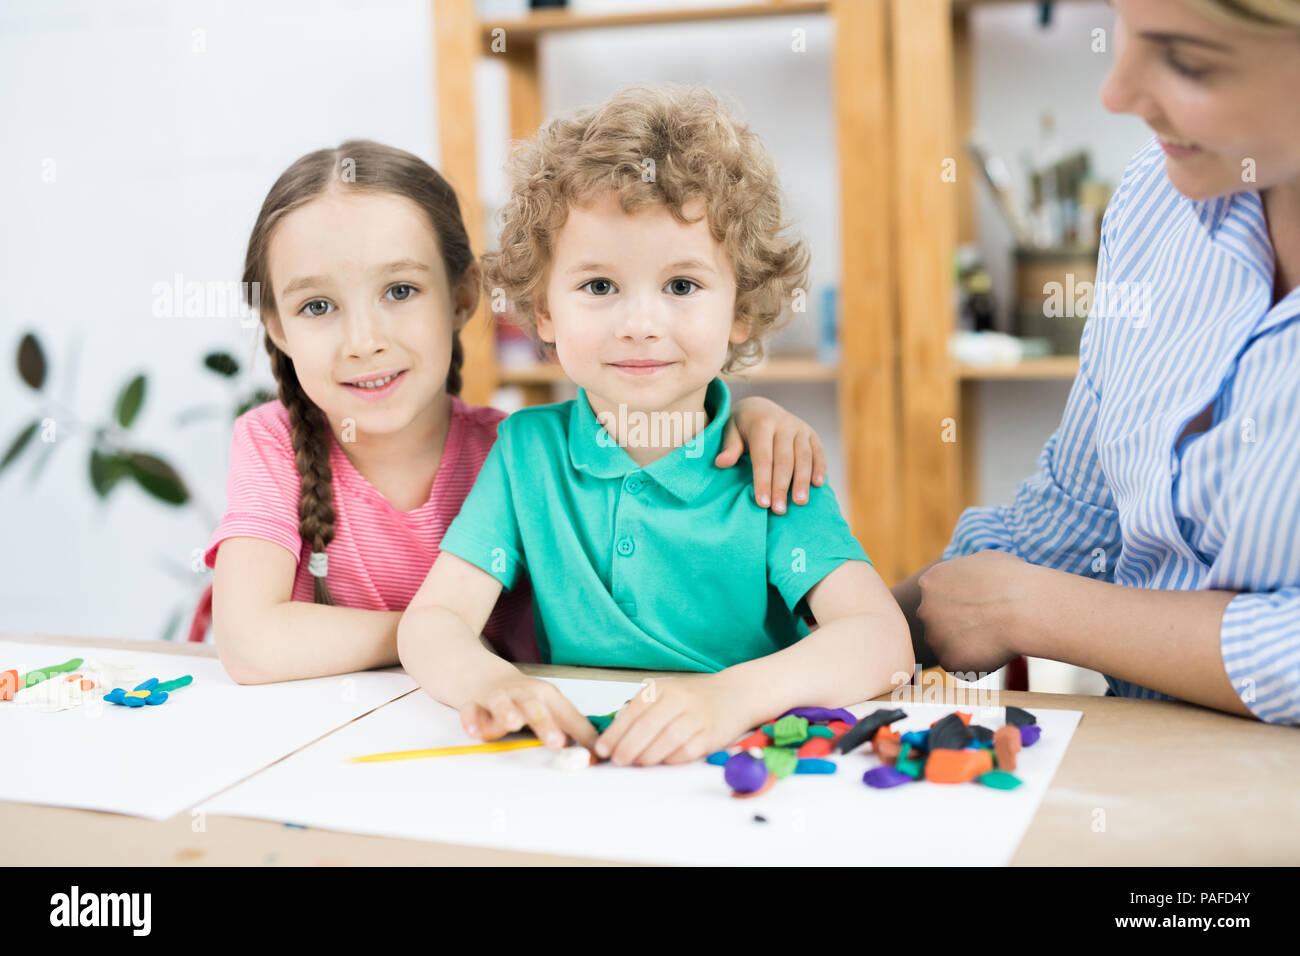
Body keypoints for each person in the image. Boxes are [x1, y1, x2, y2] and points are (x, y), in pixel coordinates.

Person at [398, 86, 913, 765]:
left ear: (740, 311)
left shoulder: (771, 466)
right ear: (544, 311)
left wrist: (729, 700)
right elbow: (433, 621)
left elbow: (882, 641)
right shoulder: (526, 456)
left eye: (681, 286)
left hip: (737, 774)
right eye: (600, 286)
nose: (640, 323)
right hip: (582, 773)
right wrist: (493, 682)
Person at [207, 139, 832, 684]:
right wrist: (434, 632)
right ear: (277, 328)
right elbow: (251, 644)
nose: (363, 340)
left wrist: (748, 416)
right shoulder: (272, 443)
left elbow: (643, 420)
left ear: (463, 299)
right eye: (318, 306)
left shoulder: (518, 452)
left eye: (400, 291)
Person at [895, 0, 1300, 726]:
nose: (1116, 94)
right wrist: (842, 623)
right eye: (1126, 23)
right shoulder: (1156, 199)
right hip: (1140, 774)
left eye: (1186, 59)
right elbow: (1077, 512)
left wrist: (1033, 609)